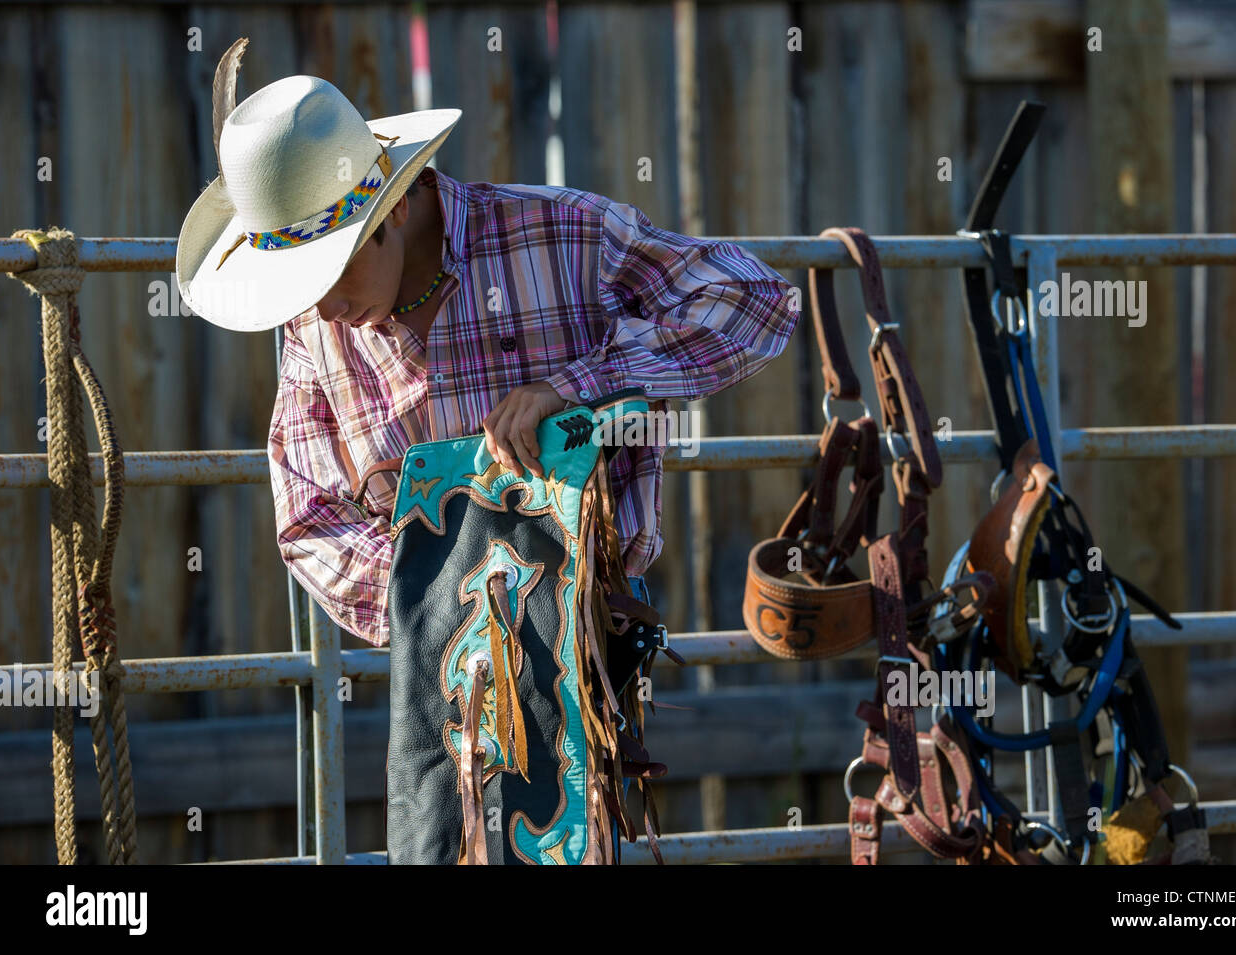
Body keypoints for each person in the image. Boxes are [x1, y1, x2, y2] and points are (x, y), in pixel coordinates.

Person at [177, 72, 798, 647]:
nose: (323, 306)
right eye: (300, 284)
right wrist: (429, 603)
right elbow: (311, 514)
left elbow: (755, 301)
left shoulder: (566, 234)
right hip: (438, 668)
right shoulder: (314, 326)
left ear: (391, 207)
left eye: (334, 268)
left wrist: (575, 386)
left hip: (591, 641)